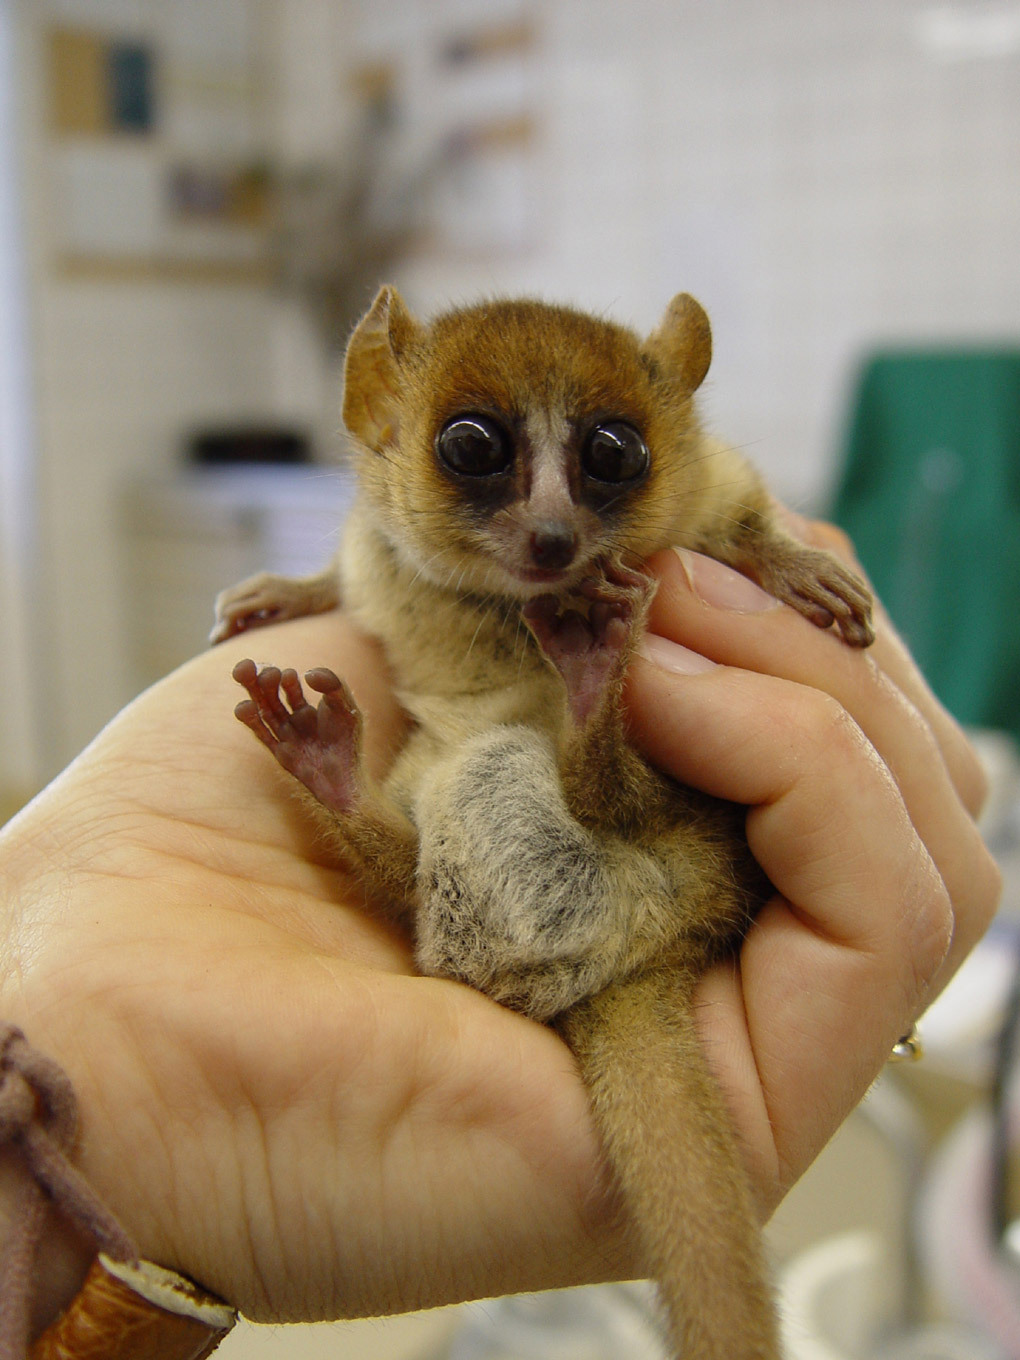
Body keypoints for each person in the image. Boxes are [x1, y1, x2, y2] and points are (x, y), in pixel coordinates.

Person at [0, 516, 1001, 1338]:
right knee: (471, 779)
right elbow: (391, 545)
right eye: (476, 451)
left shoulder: (635, 542)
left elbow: (723, 515)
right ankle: (374, 791)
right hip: (519, 906)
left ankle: (431, 772)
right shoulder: (399, 553)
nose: (549, 524)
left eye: (605, 459)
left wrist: (761, 559)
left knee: (530, 767)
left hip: (629, 892)